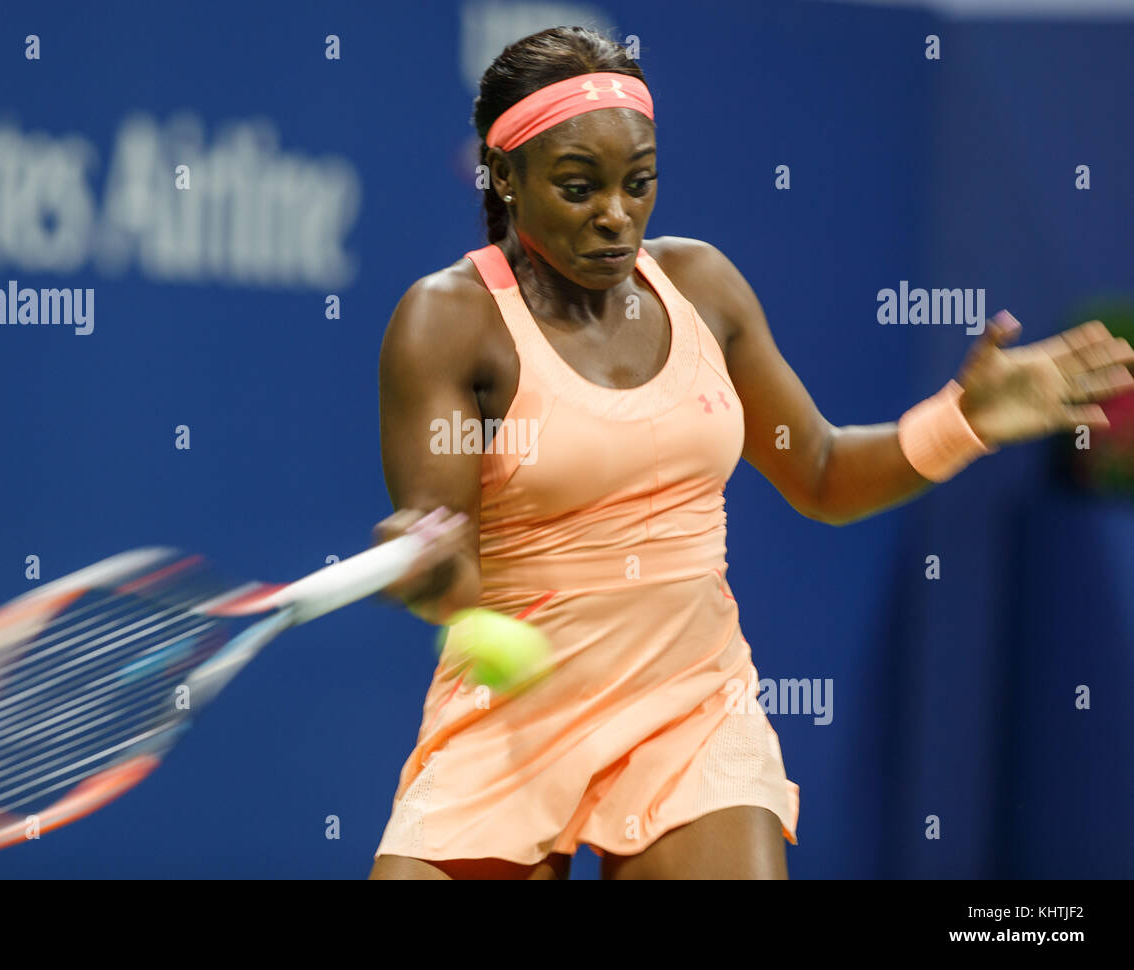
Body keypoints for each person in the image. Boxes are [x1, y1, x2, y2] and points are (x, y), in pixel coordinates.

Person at [367, 26, 1134, 880]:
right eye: (579, 187)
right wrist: (432, 573)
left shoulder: (702, 285)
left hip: (690, 709)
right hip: (510, 714)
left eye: (640, 183)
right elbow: (454, 574)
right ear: (504, 176)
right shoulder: (446, 320)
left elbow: (819, 474)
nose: (616, 215)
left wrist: (969, 418)